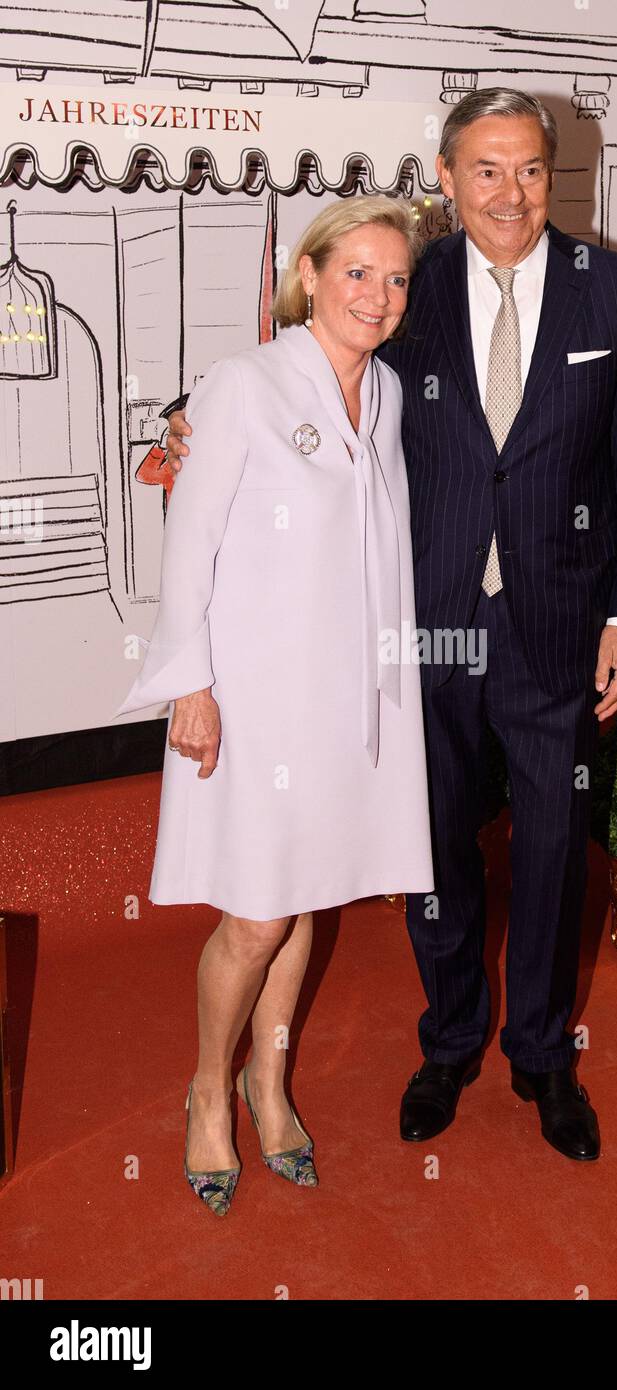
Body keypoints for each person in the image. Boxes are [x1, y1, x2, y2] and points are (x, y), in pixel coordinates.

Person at [165, 89, 617, 1164]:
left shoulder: (616, 293)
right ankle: (447, 1041)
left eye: (529, 169)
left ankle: (540, 1053)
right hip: (421, 630)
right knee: (431, 847)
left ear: (553, 173)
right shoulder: (407, 284)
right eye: (483, 169)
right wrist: (182, 423)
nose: (509, 193)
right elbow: (299, 375)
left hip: (556, 626)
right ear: (444, 175)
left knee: (550, 848)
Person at [113, 196, 434, 1215]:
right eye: (356, 273)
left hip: (351, 698)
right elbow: (189, 541)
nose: (376, 297)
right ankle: (210, 1088)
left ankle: (270, 1079)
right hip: (251, 695)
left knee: (305, 894)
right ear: (308, 275)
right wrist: (190, 686)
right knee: (255, 914)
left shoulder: (382, 394)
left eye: (394, 281)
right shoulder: (240, 385)